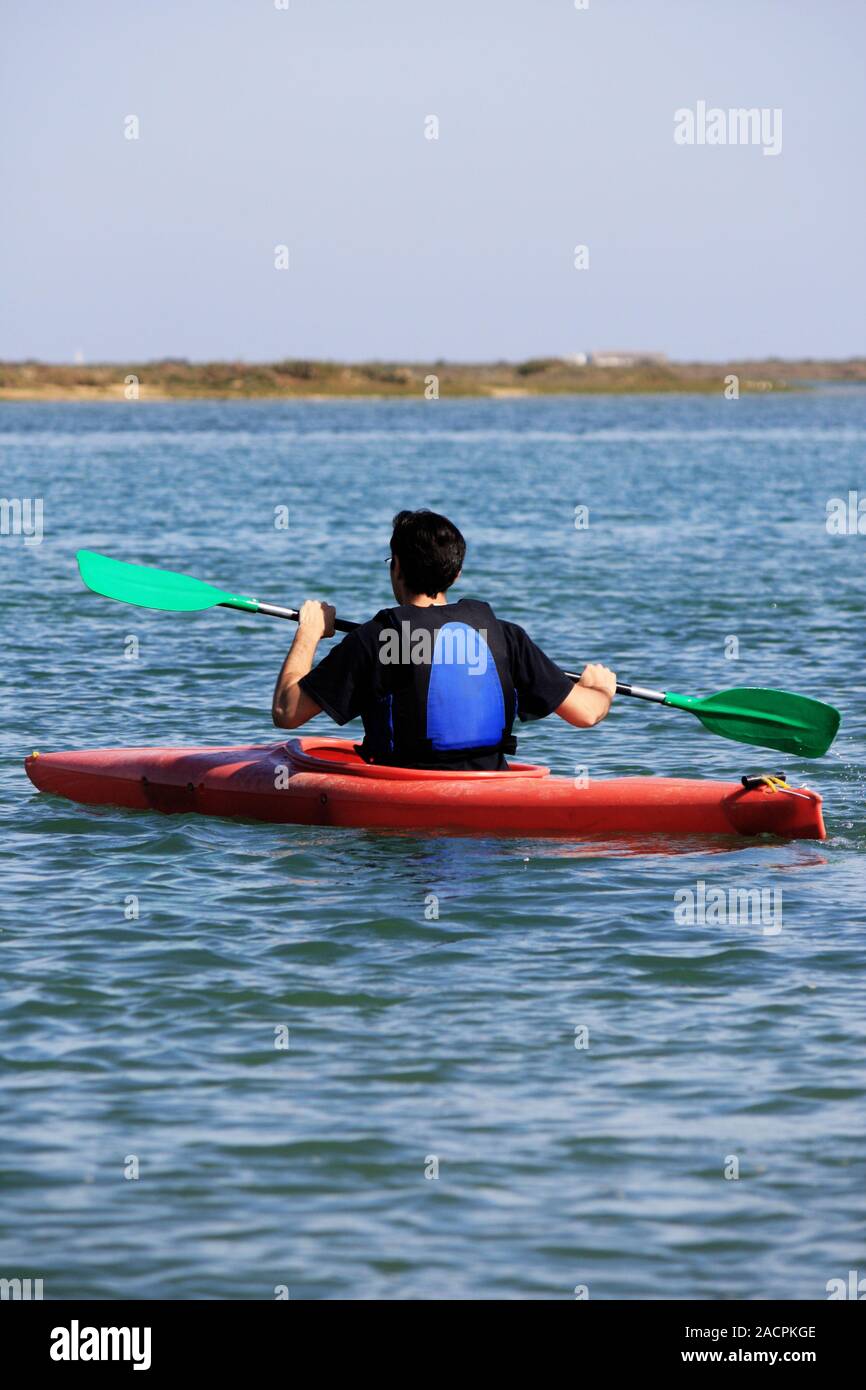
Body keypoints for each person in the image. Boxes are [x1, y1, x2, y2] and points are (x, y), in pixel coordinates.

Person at [272, 509, 616, 771]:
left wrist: (309, 632)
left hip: (404, 797)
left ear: (398, 568)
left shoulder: (377, 638)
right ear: (456, 573)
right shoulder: (504, 635)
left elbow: (287, 712)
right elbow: (587, 714)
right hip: (491, 798)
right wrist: (600, 689)